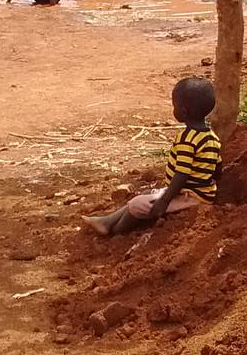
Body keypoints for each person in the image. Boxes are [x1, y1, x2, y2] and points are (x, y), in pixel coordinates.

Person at [82, 77, 221, 237]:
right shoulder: (212, 137)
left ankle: (117, 233)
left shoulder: (187, 138)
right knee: (147, 193)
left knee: (137, 205)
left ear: (183, 112)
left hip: (190, 197)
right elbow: (217, 169)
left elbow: (181, 174)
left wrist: (164, 201)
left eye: (174, 106)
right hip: (198, 194)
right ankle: (106, 221)